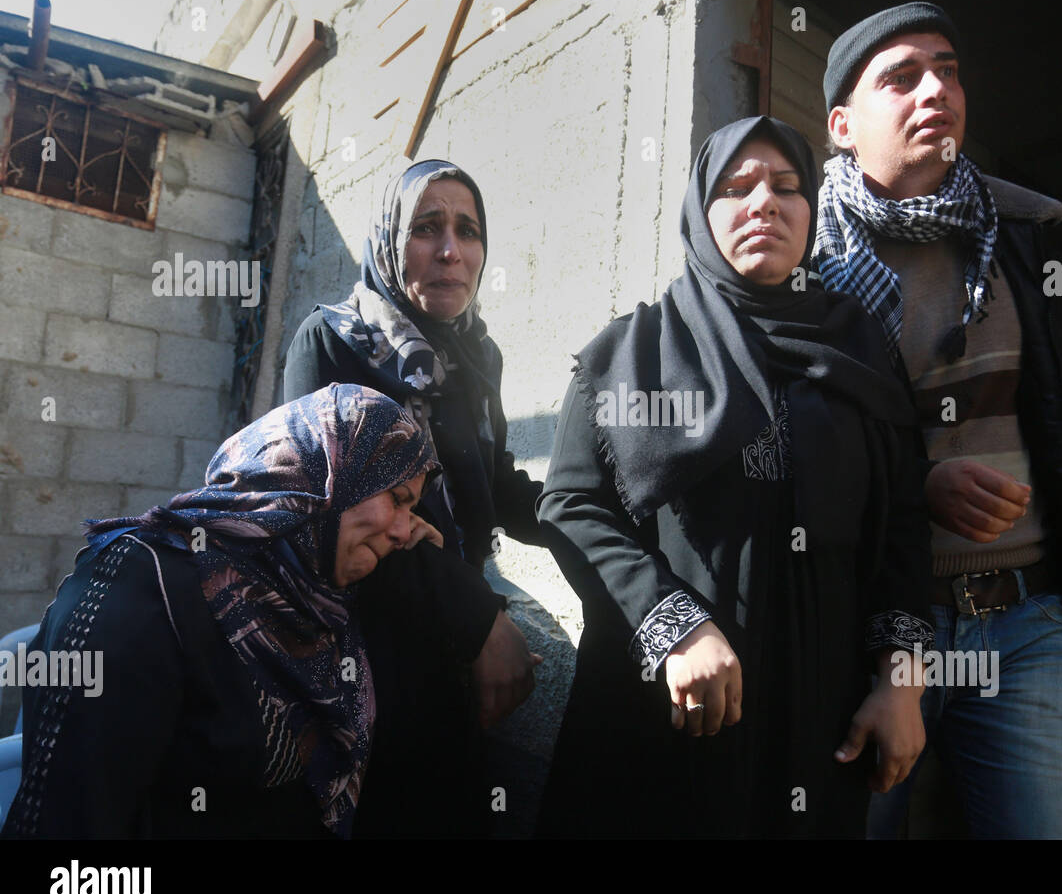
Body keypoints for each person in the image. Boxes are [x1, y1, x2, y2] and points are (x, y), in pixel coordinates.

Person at [536, 116, 933, 838]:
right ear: (700, 209)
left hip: (824, 722)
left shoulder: (860, 348)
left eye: (787, 187)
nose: (765, 203)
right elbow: (569, 502)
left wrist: (900, 678)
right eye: (735, 187)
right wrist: (672, 624)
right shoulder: (634, 353)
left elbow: (904, 519)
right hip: (669, 715)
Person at [814, 2, 1062, 838]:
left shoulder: (1024, 239)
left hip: (1025, 622)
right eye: (901, 77)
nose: (934, 88)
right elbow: (788, 448)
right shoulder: (805, 266)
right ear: (842, 123)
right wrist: (915, 486)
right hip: (865, 631)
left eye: (946, 68)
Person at [1, 384, 435, 839]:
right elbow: (69, 821)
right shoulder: (141, 586)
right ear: (327, 478)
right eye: (397, 498)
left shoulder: (318, 598)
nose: (406, 531)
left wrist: (439, 580)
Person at [283, 159, 544, 836]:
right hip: (364, 650)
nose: (451, 250)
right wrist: (481, 616)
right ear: (388, 241)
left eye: (468, 230)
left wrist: (599, 514)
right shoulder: (335, 342)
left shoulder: (477, 357)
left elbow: (496, 483)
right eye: (427, 227)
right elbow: (341, 514)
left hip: (450, 651)